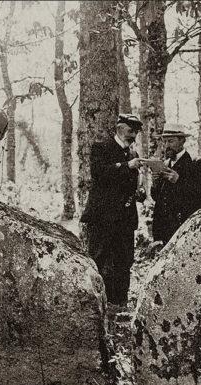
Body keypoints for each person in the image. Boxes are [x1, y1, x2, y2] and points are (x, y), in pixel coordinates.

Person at [80, 114, 146, 308]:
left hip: (125, 218)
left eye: (135, 132)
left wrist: (139, 192)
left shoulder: (132, 155)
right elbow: (99, 174)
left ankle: (120, 303)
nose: (133, 135)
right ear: (119, 128)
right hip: (103, 217)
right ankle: (94, 302)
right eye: (130, 130)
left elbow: (129, 186)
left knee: (124, 262)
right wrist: (126, 166)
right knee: (98, 259)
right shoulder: (101, 148)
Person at [150, 123, 201, 244]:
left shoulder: (196, 163)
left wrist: (178, 181)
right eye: (164, 142)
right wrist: (155, 183)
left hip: (185, 225)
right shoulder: (164, 164)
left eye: (170, 141)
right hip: (165, 229)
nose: (167, 146)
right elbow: (158, 198)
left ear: (182, 141)